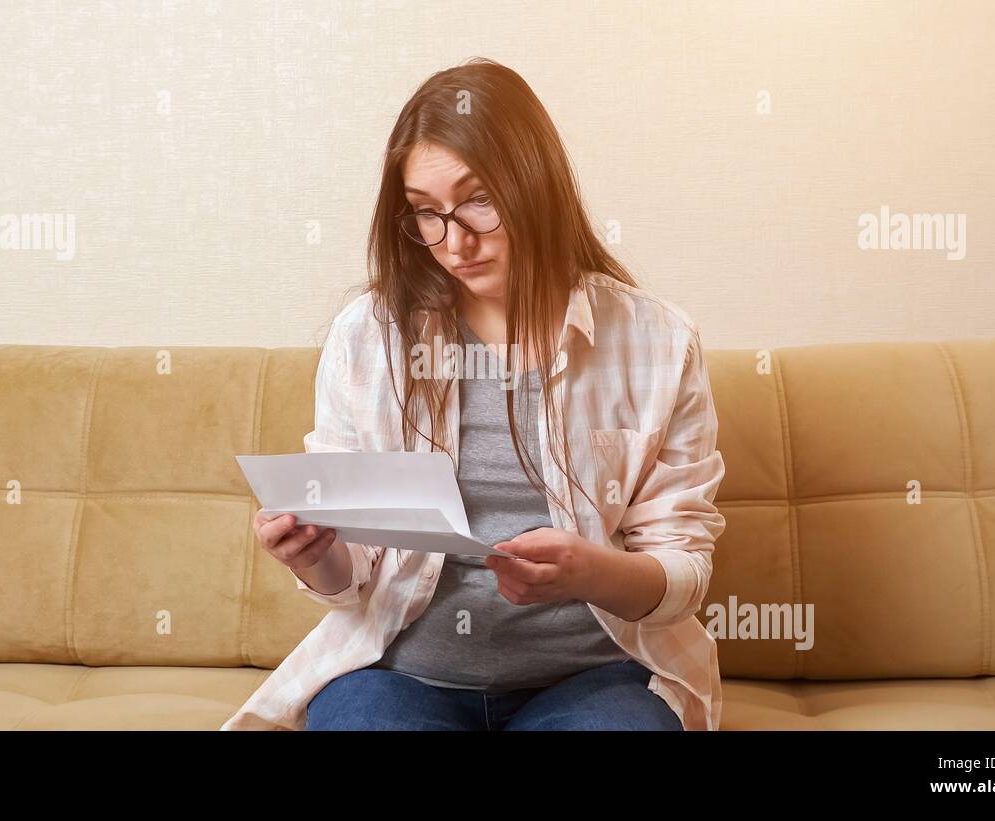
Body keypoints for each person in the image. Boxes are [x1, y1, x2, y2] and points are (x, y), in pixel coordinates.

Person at [221, 57, 726, 731]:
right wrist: (319, 555)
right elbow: (354, 577)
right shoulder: (371, 336)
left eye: (478, 199)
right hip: (402, 673)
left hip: (591, 678)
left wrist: (592, 571)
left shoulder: (657, 341)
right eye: (426, 213)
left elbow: (684, 569)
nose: (454, 241)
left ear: (535, 183)